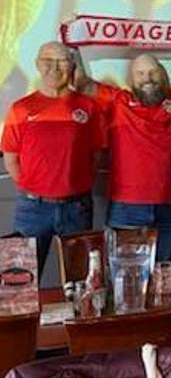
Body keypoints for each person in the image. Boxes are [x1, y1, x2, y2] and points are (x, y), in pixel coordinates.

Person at [73, 31, 171, 261]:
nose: (146, 77)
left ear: (163, 74)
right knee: (125, 278)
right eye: (140, 73)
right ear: (132, 79)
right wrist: (72, 42)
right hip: (126, 207)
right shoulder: (117, 101)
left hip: (170, 206)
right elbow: (82, 83)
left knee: (165, 278)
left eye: (152, 71)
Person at [0, 41, 105, 273]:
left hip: (77, 207)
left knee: (80, 281)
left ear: (71, 66)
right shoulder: (21, 109)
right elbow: (11, 159)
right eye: (47, 60)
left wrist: (74, 185)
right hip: (32, 209)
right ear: (38, 65)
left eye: (61, 61)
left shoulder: (89, 107)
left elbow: (95, 156)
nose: (54, 67)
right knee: (21, 283)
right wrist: (35, 188)